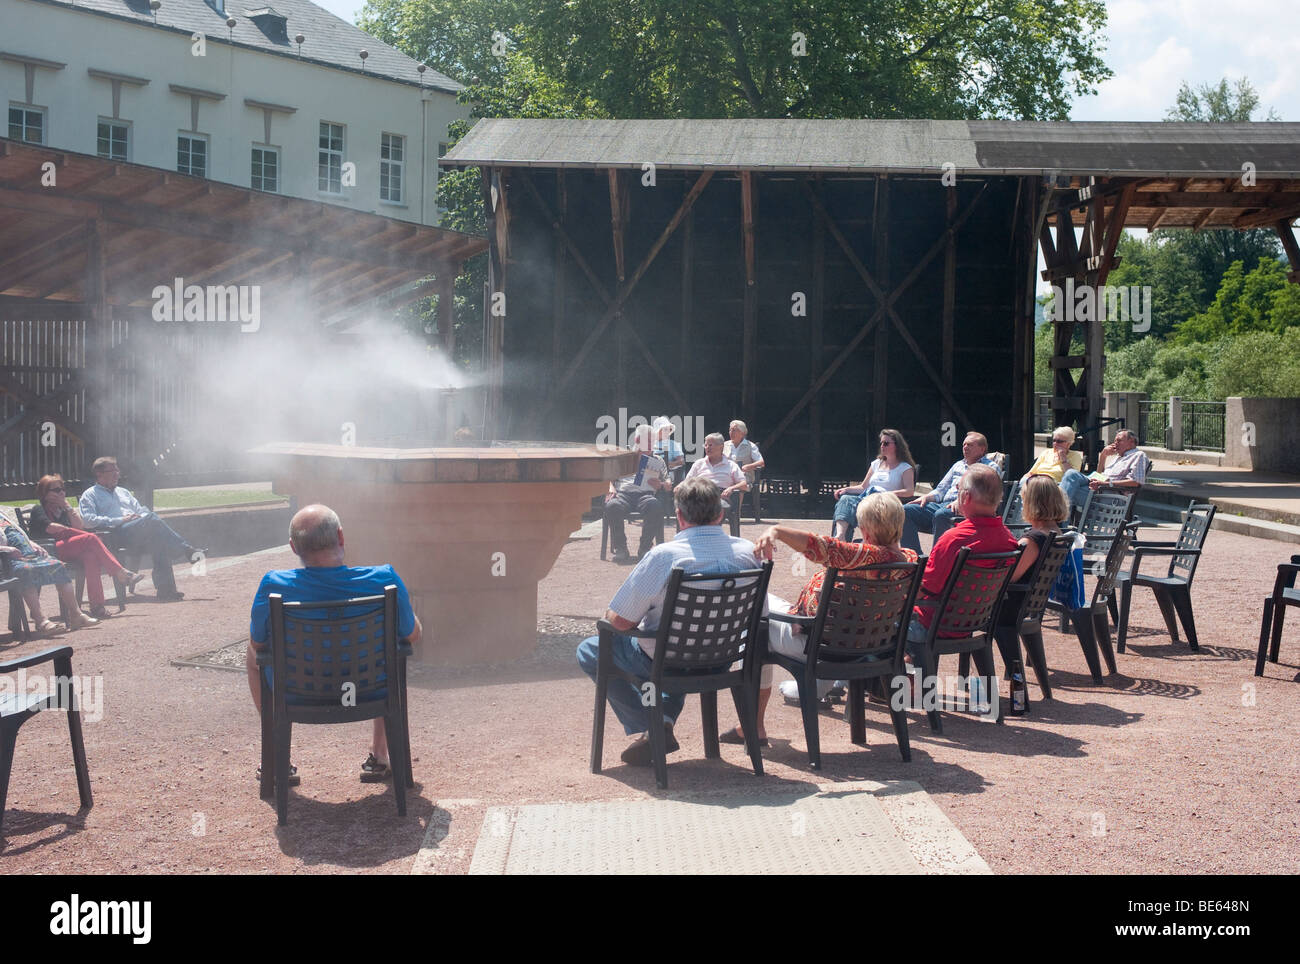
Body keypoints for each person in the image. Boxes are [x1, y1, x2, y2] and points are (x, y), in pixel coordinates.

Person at [576, 477, 760, 767]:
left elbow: (621, 622)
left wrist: (608, 617)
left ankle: (652, 721)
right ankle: (660, 721)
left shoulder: (664, 557)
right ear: (721, 513)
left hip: (667, 660)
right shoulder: (750, 552)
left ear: (679, 516)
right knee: (675, 647)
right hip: (722, 658)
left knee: (592, 649)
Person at [247, 504, 422, 784]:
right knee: (388, 651)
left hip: (297, 694)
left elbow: (258, 643)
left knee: (251, 655)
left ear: (294, 547)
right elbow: (411, 635)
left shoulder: (273, 585)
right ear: (340, 537)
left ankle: (275, 755)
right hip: (369, 692)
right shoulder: (383, 579)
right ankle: (379, 754)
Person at [734, 493, 918, 742]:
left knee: (756, 613)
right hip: (867, 646)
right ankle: (815, 687)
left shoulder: (862, 557)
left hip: (820, 647)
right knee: (768, 607)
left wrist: (776, 530)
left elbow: (820, 546)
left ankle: (752, 727)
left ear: (865, 530)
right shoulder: (911, 560)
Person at [905, 463, 1019, 669]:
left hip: (934, 623)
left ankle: (887, 685)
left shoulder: (955, 539)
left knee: (881, 617)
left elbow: (925, 590)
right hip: (974, 622)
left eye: (957, 491)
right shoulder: (1009, 540)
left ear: (966, 497)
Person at [77, 456, 203, 601]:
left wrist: (141, 517)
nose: (117, 473)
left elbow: (141, 510)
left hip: (135, 531)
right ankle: (187, 551)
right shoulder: (90, 495)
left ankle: (166, 590)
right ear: (99, 474)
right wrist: (120, 520)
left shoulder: (123, 492)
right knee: (152, 520)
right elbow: (88, 521)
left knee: (158, 537)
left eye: (117, 469)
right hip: (114, 535)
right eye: (112, 470)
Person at [27, 474, 146, 618]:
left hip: (66, 548)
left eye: (63, 489)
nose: (62, 493)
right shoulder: (38, 509)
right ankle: (120, 572)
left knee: (91, 556)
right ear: (45, 494)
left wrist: (67, 507)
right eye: (57, 490)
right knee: (91, 538)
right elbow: (52, 528)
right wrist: (72, 532)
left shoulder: (63, 510)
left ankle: (97, 606)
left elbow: (79, 527)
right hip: (47, 551)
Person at [0, 510, 100, 635]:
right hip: (7, 560)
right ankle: (40, 620)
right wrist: (5, 549)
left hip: (28, 554)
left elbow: (16, 533)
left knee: (57, 565)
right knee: (26, 571)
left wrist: (32, 544)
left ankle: (76, 615)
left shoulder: (1, 514)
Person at [902, 431, 1000, 553]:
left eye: (970, 445)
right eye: (964, 445)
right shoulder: (958, 465)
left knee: (941, 515)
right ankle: (916, 558)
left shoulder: (990, 468)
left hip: (967, 507)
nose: (965, 447)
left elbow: (985, 494)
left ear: (982, 449)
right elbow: (941, 490)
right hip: (943, 504)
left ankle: (937, 558)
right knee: (905, 510)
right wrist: (927, 497)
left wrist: (960, 501)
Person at [604, 423, 672, 565]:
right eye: (647, 441)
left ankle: (645, 548)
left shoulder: (658, 460)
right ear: (637, 440)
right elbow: (608, 478)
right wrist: (611, 488)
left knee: (654, 505)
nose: (651, 445)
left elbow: (669, 484)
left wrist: (660, 484)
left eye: (652, 441)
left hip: (645, 495)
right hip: (623, 494)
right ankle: (621, 548)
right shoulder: (624, 458)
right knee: (612, 505)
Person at [831, 429, 916, 541]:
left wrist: (886, 494)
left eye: (886, 443)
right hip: (867, 497)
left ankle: (850, 542)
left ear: (897, 445)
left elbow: (910, 491)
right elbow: (863, 487)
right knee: (846, 499)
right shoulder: (876, 464)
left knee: (857, 507)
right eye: (881, 443)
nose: (882, 446)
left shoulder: (905, 467)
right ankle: (840, 537)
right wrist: (846, 489)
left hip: (885, 502)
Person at [1060, 428, 1149, 515]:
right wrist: (1103, 456)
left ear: (1131, 442)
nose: (1115, 444)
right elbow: (1098, 475)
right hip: (1097, 489)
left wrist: (1106, 483)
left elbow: (1135, 482)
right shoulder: (1118, 457)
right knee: (1070, 474)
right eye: (1115, 441)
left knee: (1060, 494)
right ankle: (1060, 524)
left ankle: (1060, 524)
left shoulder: (1138, 455)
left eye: (1119, 441)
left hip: (1111, 497)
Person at [686, 433, 748, 511]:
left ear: (721, 447)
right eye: (705, 445)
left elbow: (744, 485)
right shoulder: (699, 463)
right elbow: (687, 482)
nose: (707, 448)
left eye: (710, 445)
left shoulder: (731, 465)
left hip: (720, 497)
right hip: (701, 495)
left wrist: (731, 488)